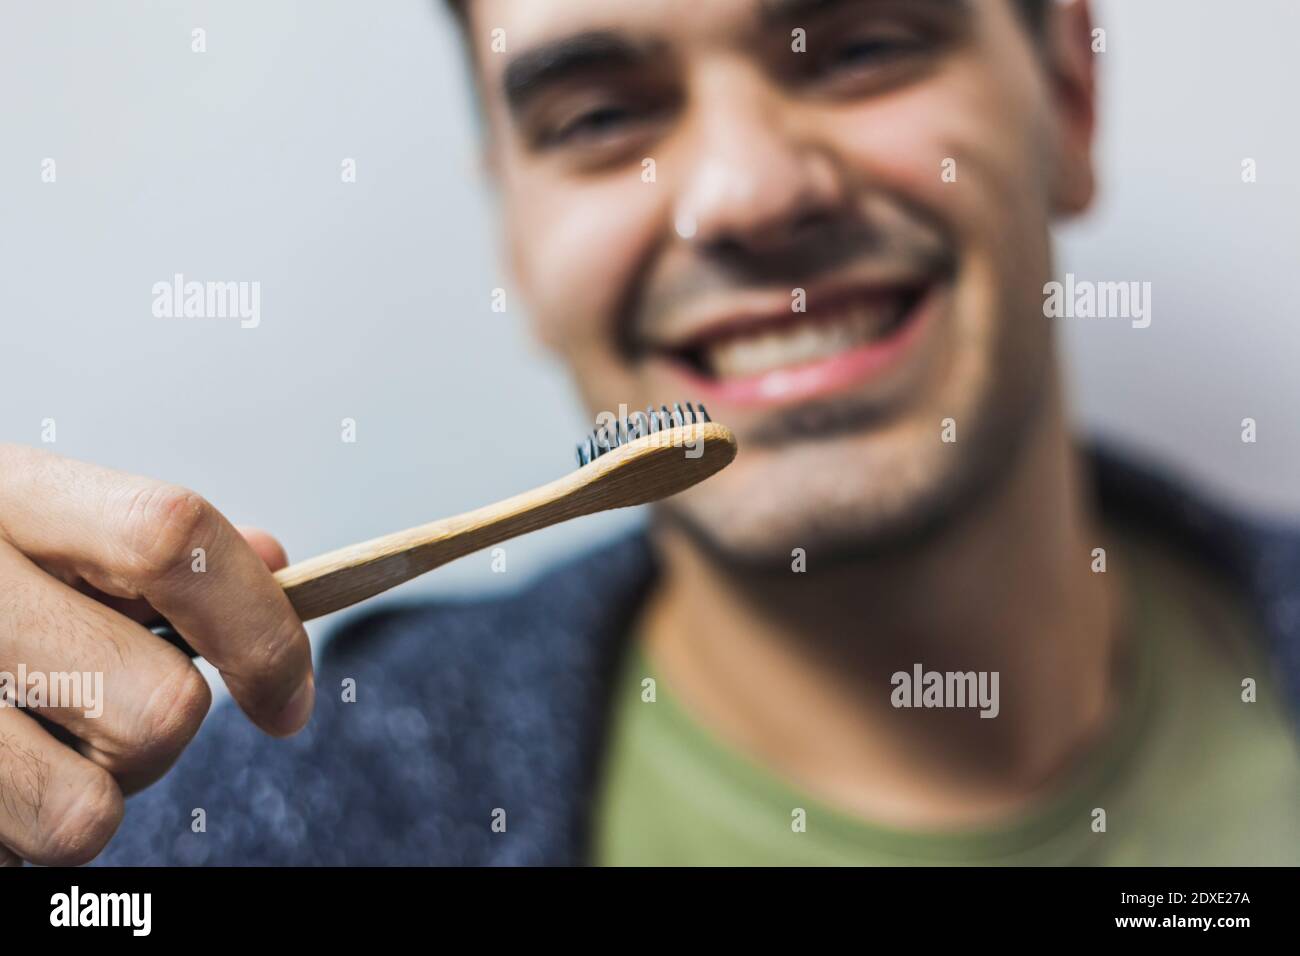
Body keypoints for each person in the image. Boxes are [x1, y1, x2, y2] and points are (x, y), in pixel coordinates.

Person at [3, 0, 1296, 867]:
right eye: (601, 118)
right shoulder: (251, 832)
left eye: (856, 46)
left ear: (1068, 89)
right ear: (512, 227)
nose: (746, 192)